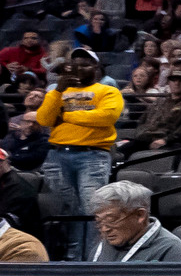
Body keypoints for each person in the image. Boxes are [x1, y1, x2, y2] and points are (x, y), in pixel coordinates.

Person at [34, 48, 125, 260]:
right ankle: (66, 257)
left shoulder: (107, 91)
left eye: (85, 64)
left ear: (96, 67)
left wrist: (66, 116)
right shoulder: (57, 92)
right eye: (75, 65)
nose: (80, 68)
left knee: (91, 210)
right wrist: (58, 91)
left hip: (92, 155)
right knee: (65, 210)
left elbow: (106, 117)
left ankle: (89, 259)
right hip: (57, 156)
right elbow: (44, 119)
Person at [89, 180, 181, 262]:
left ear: (140, 215)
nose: (105, 229)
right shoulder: (102, 247)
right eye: (99, 221)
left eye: (111, 220)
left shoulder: (169, 248)